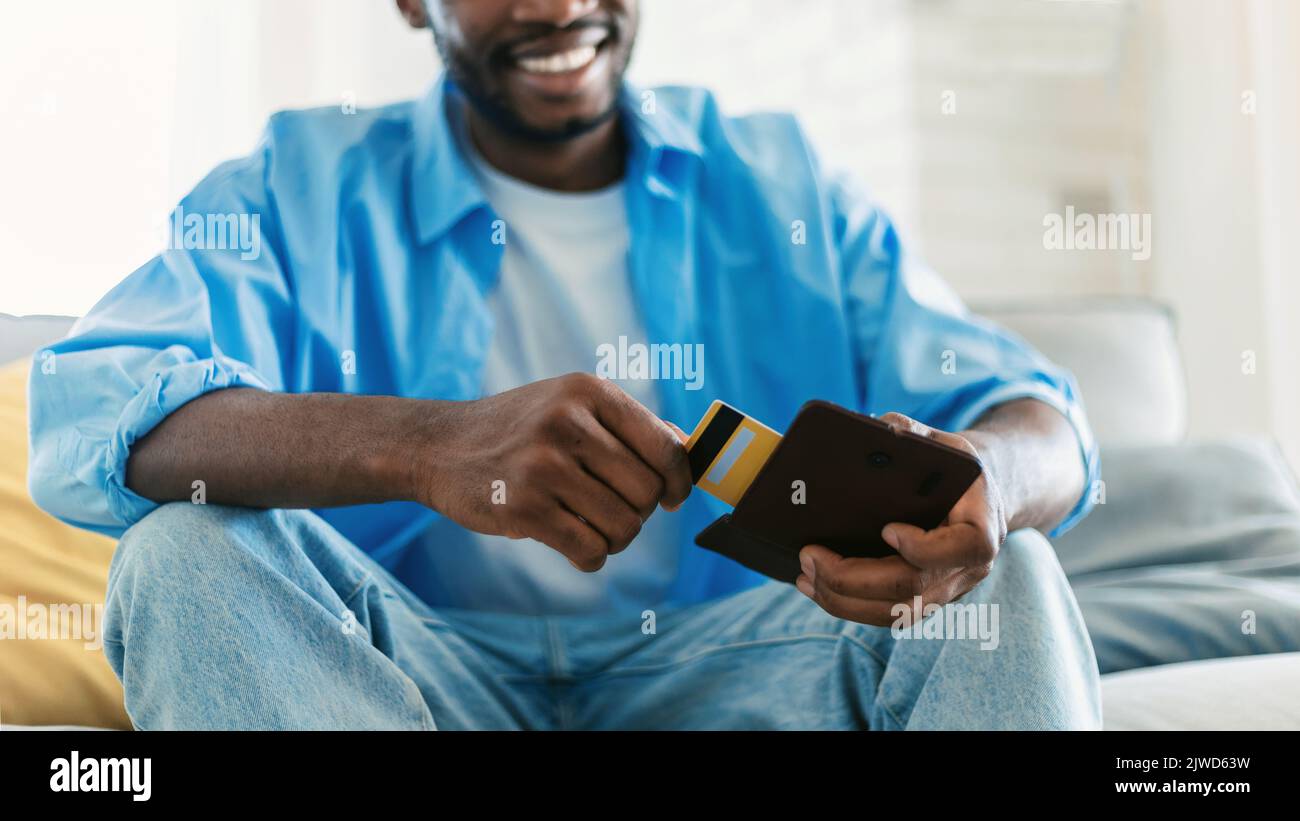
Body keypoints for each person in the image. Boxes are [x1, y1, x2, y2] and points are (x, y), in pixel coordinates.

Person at [27, 0, 1102, 729]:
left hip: (741, 665)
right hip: (401, 671)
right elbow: (88, 413)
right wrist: (427, 444)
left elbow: (1037, 420)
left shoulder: (783, 181)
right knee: (181, 550)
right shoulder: (295, 183)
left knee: (1009, 561)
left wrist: (986, 481)